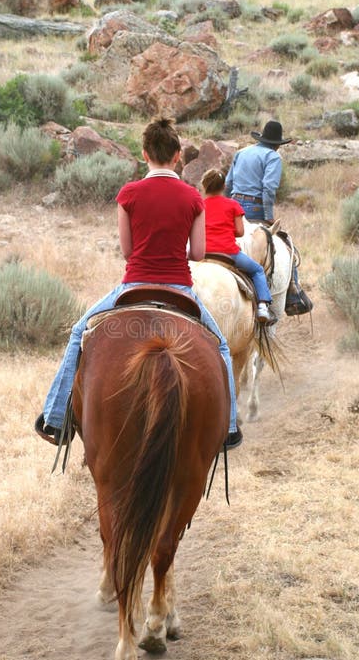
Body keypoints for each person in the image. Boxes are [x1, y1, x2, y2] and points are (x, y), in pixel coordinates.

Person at [35, 117, 242, 450]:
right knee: (219, 346)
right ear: (178, 156)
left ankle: (56, 419)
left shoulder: (129, 193)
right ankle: (229, 429)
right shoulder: (192, 198)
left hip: (133, 286)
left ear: (145, 154)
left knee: (78, 332)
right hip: (179, 289)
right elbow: (200, 253)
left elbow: (128, 251)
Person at [225, 119, 312, 316]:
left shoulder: (241, 152)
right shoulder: (272, 157)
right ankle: (293, 293)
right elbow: (269, 188)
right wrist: (268, 216)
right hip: (255, 207)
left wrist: (223, 208)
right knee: (286, 245)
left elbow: (228, 183)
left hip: (233, 204)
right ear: (276, 145)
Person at [200, 167, 276, 325]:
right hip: (229, 254)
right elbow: (240, 232)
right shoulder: (232, 205)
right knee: (257, 270)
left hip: (202, 253)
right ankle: (262, 306)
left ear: (204, 186)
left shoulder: (199, 205)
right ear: (224, 187)